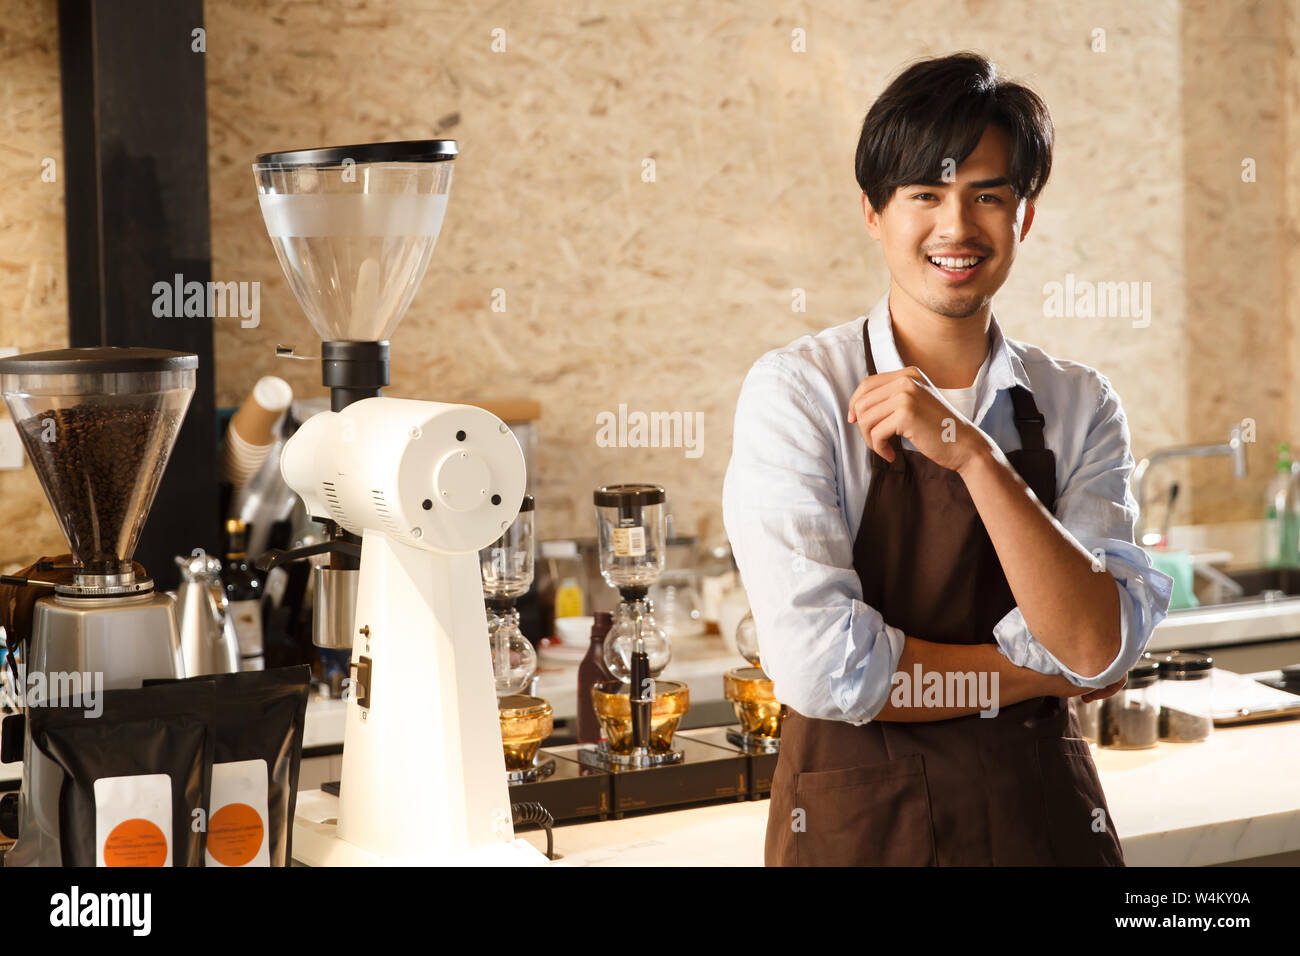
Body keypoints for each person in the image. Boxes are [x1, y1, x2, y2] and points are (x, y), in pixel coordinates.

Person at [722, 51, 1173, 866]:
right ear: (873, 212)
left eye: (987, 196)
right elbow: (827, 673)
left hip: (1045, 832)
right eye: (924, 194)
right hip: (862, 836)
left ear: (1023, 216)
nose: (957, 228)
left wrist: (972, 456)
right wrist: (1044, 673)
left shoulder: (1078, 404)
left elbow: (1090, 642)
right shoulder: (798, 395)